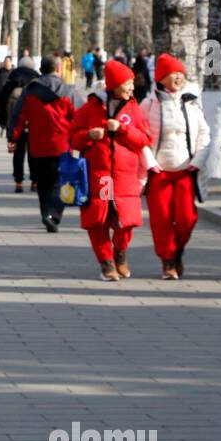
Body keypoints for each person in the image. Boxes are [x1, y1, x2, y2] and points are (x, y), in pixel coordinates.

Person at [70, 59, 153, 280]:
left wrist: (123, 130)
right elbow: (73, 139)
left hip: (125, 178)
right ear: (115, 84)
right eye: (128, 83)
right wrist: (89, 135)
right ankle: (106, 263)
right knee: (99, 221)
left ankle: (120, 254)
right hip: (100, 178)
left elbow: (145, 138)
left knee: (125, 222)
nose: (132, 88)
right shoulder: (89, 108)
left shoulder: (134, 109)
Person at [141, 54, 210, 279]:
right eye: (174, 73)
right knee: (161, 219)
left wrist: (197, 161)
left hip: (185, 171)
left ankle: (178, 250)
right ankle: (168, 261)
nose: (179, 77)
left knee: (186, 218)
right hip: (159, 172)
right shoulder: (149, 103)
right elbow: (140, 137)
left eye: (181, 73)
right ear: (162, 77)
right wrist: (150, 164)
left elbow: (204, 134)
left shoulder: (191, 102)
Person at [9, 55, 76, 231]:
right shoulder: (67, 90)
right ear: (58, 69)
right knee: (59, 181)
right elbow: (79, 116)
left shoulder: (30, 90)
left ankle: (45, 213)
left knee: (42, 182)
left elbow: (19, 115)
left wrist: (13, 138)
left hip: (37, 144)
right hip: (61, 144)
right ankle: (53, 215)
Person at [0, 58, 39, 190]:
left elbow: (2, 100)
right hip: (34, 125)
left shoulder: (12, 78)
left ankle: (19, 182)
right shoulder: (37, 79)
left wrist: (3, 122)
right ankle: (34, 181)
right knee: (34, 153)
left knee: (18, 153)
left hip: (15, 124)